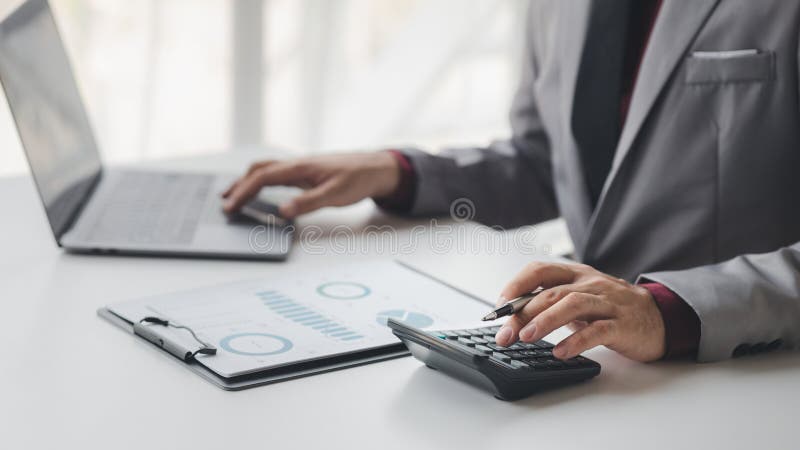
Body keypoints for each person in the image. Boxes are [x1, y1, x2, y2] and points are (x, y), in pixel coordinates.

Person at [223, 0, 800, 363]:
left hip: (746, 374)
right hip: (594, 371)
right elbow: (543, 159)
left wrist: (664, 309)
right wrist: (401, 172)